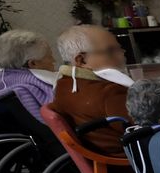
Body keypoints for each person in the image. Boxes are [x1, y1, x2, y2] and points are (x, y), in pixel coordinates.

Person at [49, 24, 134, 156]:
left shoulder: (62, 84)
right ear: (81, 60)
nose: (122, 54)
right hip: (128, 160)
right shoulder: (109, 91)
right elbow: (143, 127)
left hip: (100, 158)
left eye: (119, 48)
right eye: (111, 50)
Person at [0, 29, 57, 123]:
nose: (54, 61)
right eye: (49, 56)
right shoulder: (40, 85)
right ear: (33, 63)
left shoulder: (3, 81)